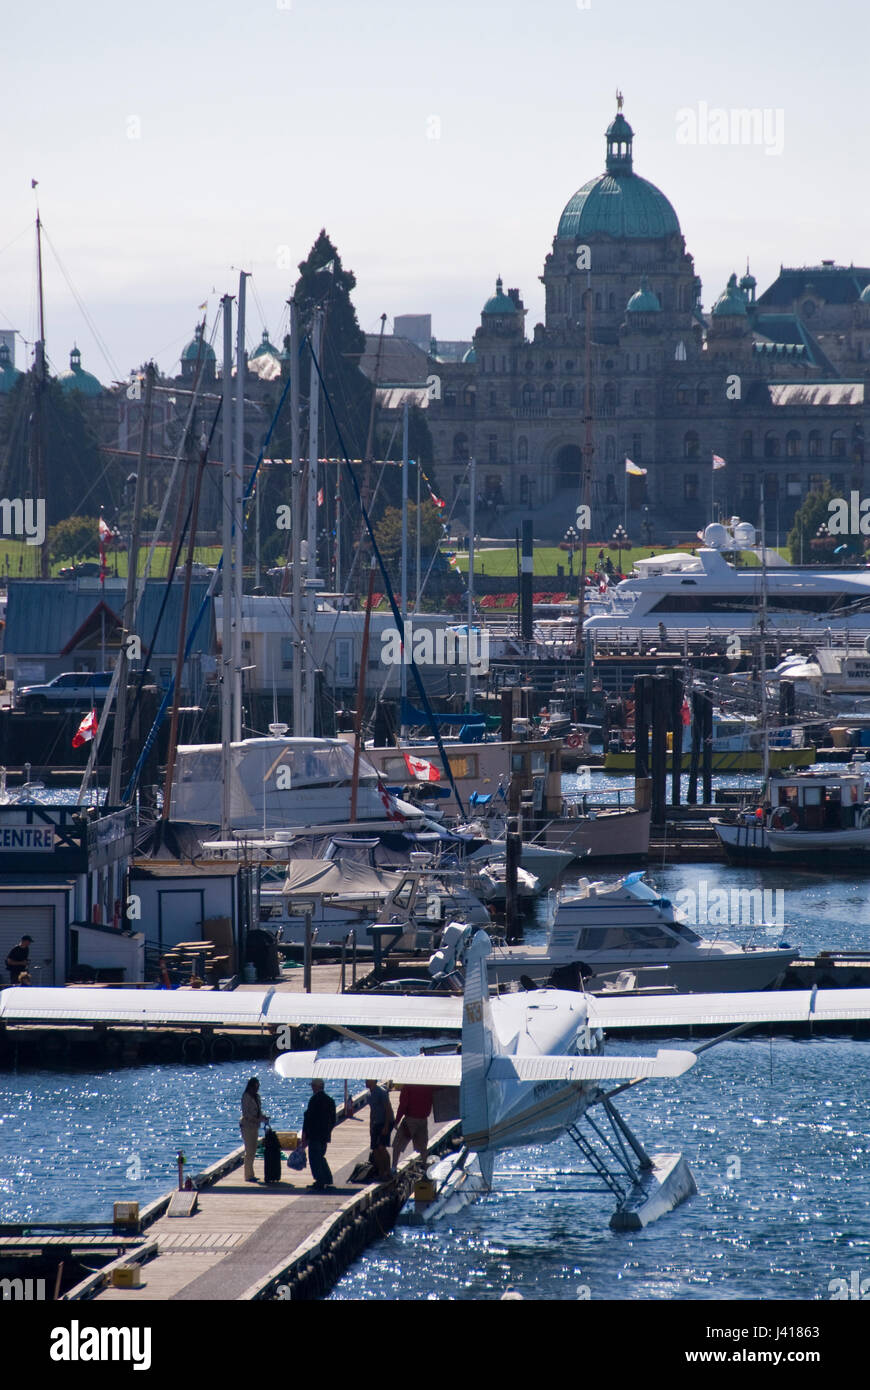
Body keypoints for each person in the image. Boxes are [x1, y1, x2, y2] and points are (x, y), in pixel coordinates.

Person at [301, 1079, 337, 1192]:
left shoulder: (314, 1100)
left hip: (315, 1134)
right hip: (324, 1135)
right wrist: (328, 1130)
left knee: (315, 1158)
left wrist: (305, 1135)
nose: (312, 1088)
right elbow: (333, 1119)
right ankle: (327, 1178)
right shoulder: (330, 1100)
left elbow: (309, 1119)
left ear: (317, 1087)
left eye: (313, 1086)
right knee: (321, 1156)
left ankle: (320, 1181)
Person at [391, 1083, 434, 1172]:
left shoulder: (408, 1085)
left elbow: (403, 1104)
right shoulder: (428, 1085)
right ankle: (426, 1169)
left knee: (398, 1144)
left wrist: (397, 1121)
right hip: (423, 1120)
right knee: (423, 1147)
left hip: (410, 1119)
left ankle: (394, 1167)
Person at [240, 1078, 269, 1183]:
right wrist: (257, 1119)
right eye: (255, 1087)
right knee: (249, 1151)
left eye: (258, 1087)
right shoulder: (246, 1097)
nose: (256, 1089)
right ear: (250, 1086)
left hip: (255, 1126)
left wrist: (263, 1117)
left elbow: (258, 1112)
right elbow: (246, 1114)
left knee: (253, 1150)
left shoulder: (257, 1097)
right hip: (247, 1126)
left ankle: (251, 1174)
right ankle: (248, 1175)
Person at [365, 1078, 394, 1180]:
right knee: (375, 1149)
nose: (366, 1082)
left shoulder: (381, 1092)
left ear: (373, 1081)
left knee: (382, 1147)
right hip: (376, 1122)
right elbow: (372, 1111)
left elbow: (388, 1109)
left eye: (368, 1080)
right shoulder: (369, 1094)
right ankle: (381, 1171)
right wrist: (370, 1125)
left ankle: (388, 1171)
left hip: (385, 1121)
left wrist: (386, 1126)